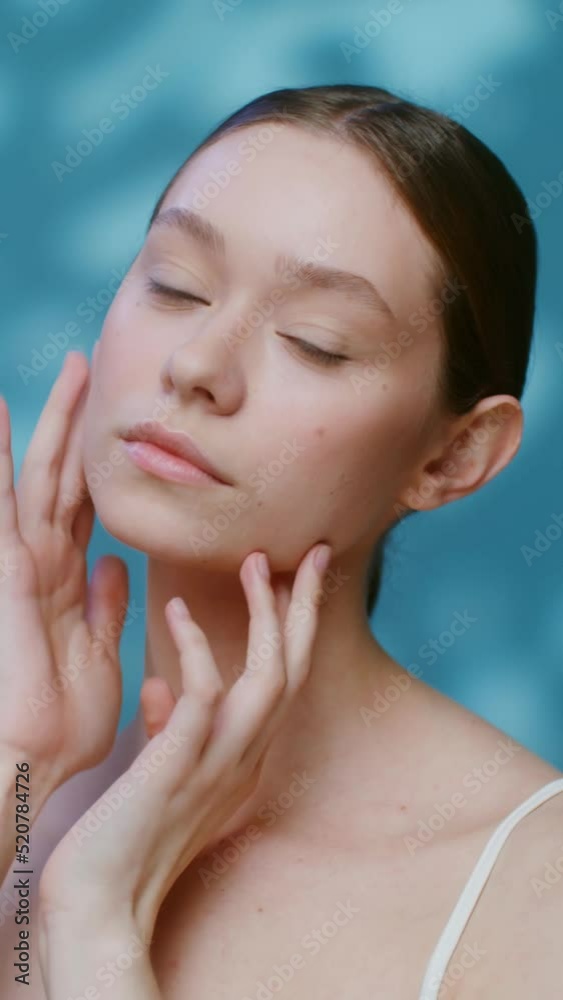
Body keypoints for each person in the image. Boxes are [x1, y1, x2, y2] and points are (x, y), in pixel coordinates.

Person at [0, 83, 561, 999]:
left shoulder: (533, 888)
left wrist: (98, 926)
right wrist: (21, 771)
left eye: (316, 342)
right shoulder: (23, 776)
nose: (197, 366)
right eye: (176, 285)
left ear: (453, 455)